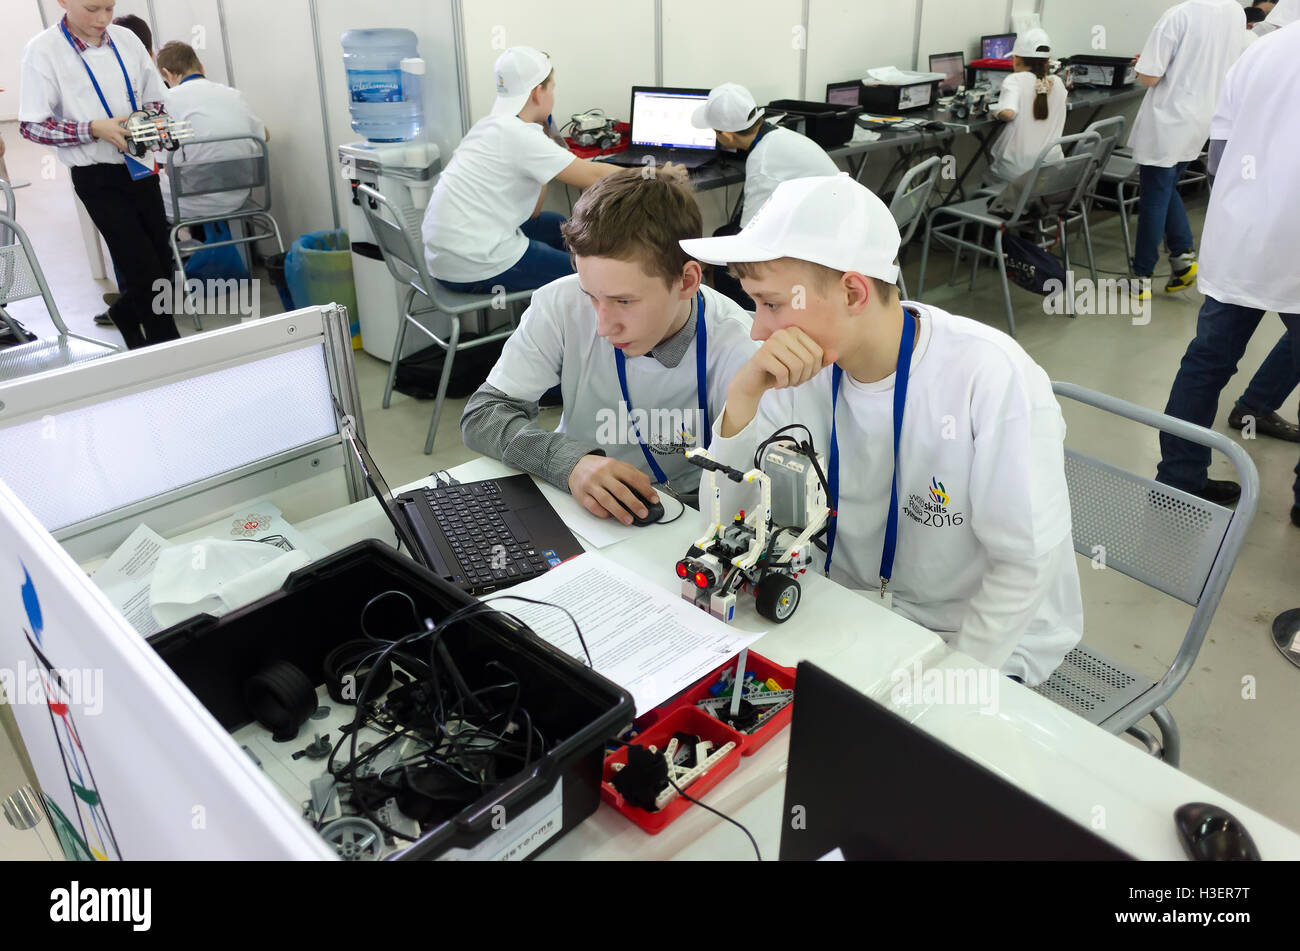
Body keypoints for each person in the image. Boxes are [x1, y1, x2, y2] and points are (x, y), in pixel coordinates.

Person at [680, 174, 1084, 685]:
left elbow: (1024, 566)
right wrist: (742, 400)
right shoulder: (794, 367)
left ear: (853, 291)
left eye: (772, 304)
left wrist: (953, 687)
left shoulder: (991, 377)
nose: (757, 330)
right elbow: (726, 524)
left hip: (973, 640)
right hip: (844, 612)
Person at [461, 165, 759, 523]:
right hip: (576, 497)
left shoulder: (738, 342)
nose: (603, 326)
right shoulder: (559, 303)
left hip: (686, 513)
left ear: (686, 281)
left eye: (624, 301)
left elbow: (749, 483)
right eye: (592, 296)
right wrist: (570, 463)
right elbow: (483, 415)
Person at [1155, 21, 1300, 524]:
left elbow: (1217, 158)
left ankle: (1177, 479)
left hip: (1241, 239)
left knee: (1205, 363)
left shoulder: (1262, 52)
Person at [421, 46, 617, 295]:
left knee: (556, 224)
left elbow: (532, 213)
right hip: (474, 264)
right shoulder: (520, 136)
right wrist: (656, 174)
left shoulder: (490, 126)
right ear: (538, 92)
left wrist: (544, 149)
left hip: (447, 258)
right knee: (591, 278)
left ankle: (555, 283)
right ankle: (572, 289)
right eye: (552, 88)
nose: (553, 95)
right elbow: (594, 177)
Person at [1127, 0, 1249, 301]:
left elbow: (1149, 78)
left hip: (1169, 119)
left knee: (1154, 196)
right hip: (1203, 117)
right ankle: (1183, 261)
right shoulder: (1234, 11)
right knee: (1166, 189)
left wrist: (1144, 65)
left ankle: (1140, 276)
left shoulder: (1177, 15)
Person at [689, 82, 837, 310]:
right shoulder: (778, 136)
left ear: (727, 137)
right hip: (824, 223)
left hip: (822, 244)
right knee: (722, 234)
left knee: (728, 263)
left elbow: (748, 239)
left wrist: (700, 260)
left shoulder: (763, 162)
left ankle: (743, 317)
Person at [154, 41, 267, 226]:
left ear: (167, 74)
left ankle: (180, 251)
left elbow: (166, 163)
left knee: (144, 189)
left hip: (191, 201)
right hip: (237, 196)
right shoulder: (234, 95)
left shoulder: (167, 101)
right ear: (201, 67)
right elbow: (263, 136)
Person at [986, 29, 1068, 185]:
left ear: (1015, 59)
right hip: (1051, 170)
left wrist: (995, 110)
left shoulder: (1015, 80)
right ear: (1048, 60)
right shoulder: (1057, 82)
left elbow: (1009, 113)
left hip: (1017, 173)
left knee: (988, 176)